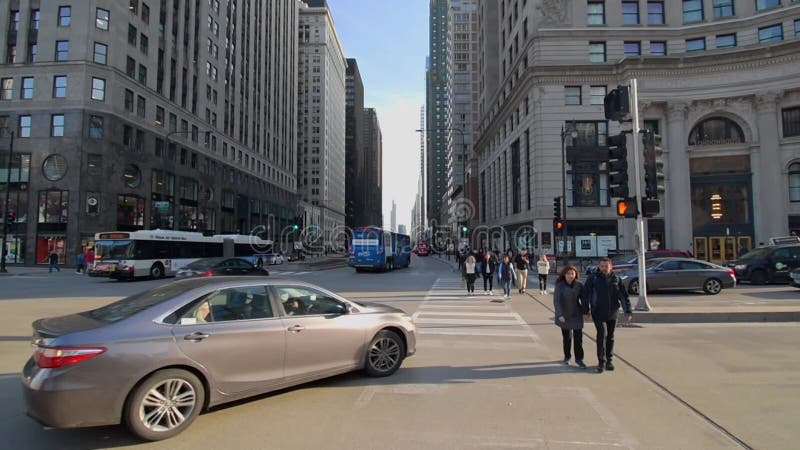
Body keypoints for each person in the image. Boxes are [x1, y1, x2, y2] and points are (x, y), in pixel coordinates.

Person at [582, 257, 633, 373]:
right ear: (599, 267)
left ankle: (609, 360)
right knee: (602, 335)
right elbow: (586, 295)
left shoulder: (616, 279)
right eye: (602, 266)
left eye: (606, 266)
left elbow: (623, 296)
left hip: (613, 312)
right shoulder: (593, 278)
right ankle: (601, 361)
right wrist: (585, 311)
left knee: (610, 336)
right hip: (598, 312)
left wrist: (627, 311)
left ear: (611, 267)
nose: (604, 268)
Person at [553, 265, 588, 369]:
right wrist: (560, 314)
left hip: (576, 313)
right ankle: (567, 356)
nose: (570, 275)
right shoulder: (560, 285)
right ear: (564, 274)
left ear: (575, 274)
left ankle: (579, 359)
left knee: (578, 338)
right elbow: (557, 301)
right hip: (564, 315)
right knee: (567, 338)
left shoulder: (579, 285)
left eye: (572, 273)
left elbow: (584, 299)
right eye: (568, 273)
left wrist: (585, 312)